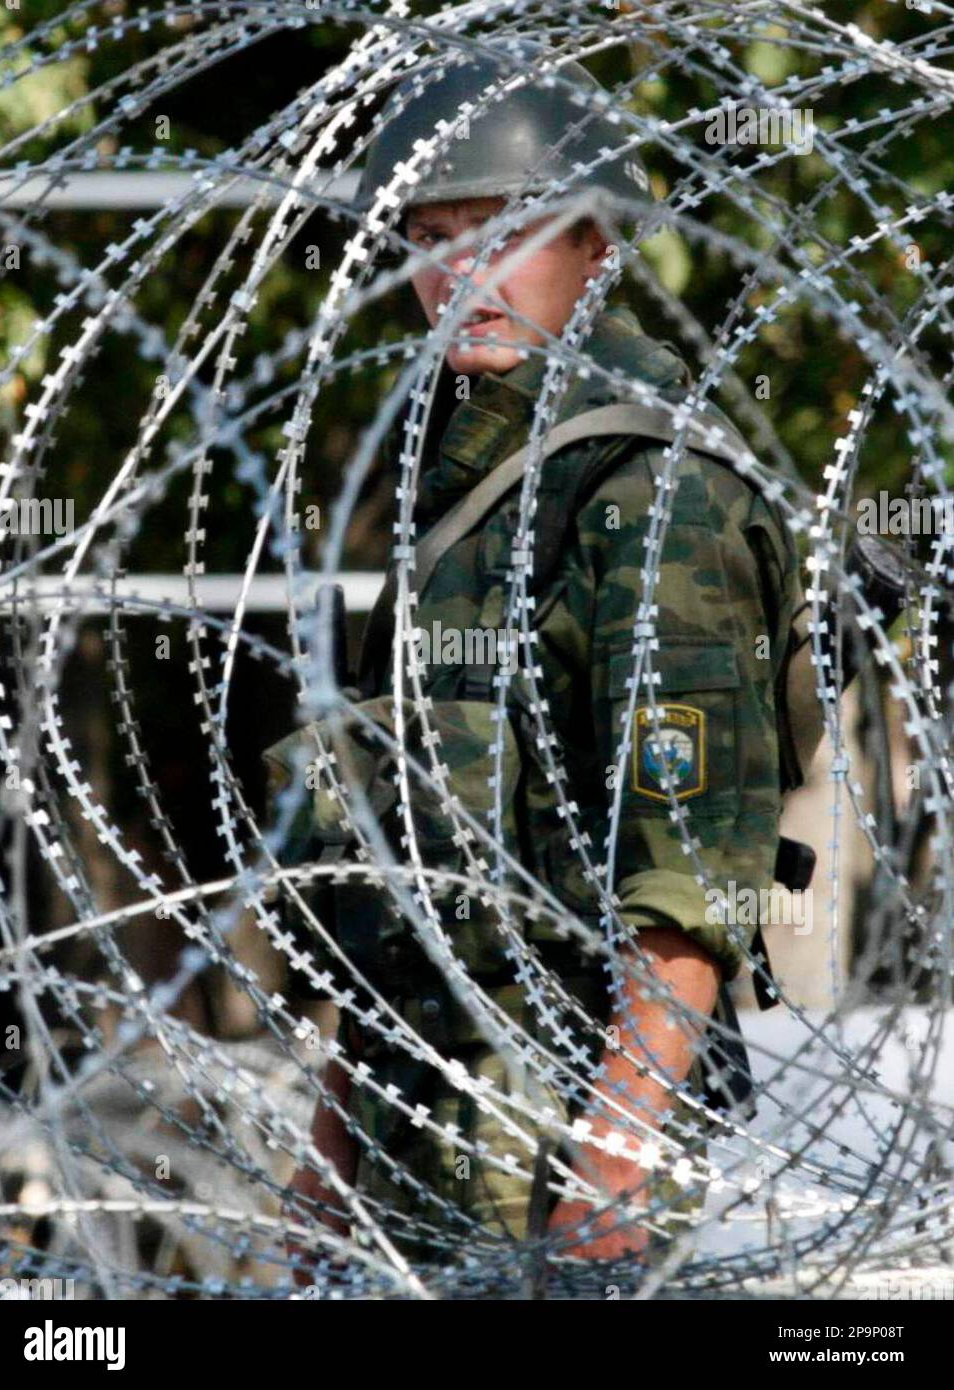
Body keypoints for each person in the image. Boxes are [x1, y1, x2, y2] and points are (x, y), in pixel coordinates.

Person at [272, 52, 805, 1279]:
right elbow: (413, 871)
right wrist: (334, 1149)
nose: (455, 269)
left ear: (595, 247)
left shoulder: (648, 490)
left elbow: (689, 872)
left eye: (500, 229)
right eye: (428, 233)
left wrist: (611, 1155)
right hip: (434, 1114)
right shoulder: (465, 490)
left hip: (562, 1127)